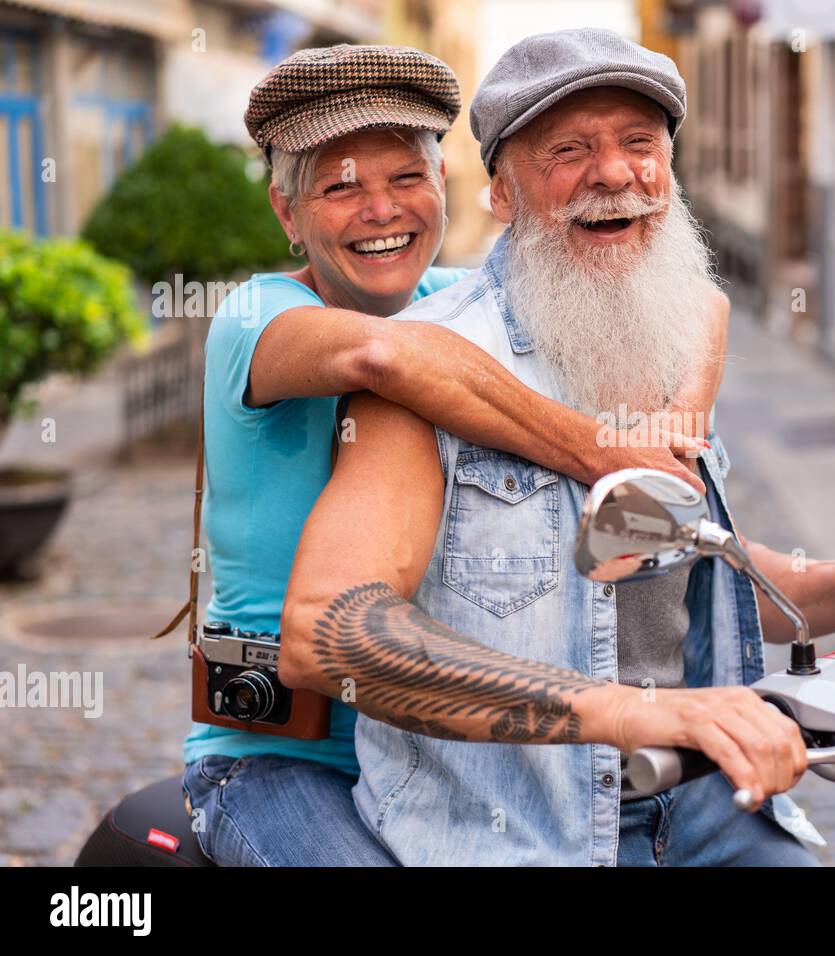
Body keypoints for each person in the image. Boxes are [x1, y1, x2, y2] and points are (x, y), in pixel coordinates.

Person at [280, 29, 835, 866]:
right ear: (501, 192)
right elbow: (328, 637)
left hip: (705, 805)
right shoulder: (433, 373)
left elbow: (710, 573)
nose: (613, 172)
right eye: (568, 149)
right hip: (522, 832)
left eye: (640, 144)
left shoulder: (658, 341)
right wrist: (640, 713)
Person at [182, 43, 723, 867]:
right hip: (277, 754)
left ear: (444, 188)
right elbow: (387, 360)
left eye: (406, 178)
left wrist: (683, 422)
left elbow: (704, 302)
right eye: (341, 186)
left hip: (421, 750)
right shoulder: (259, 314)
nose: (381, 208)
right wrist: (615, 459)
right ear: (288, 215)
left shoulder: (442, 301)